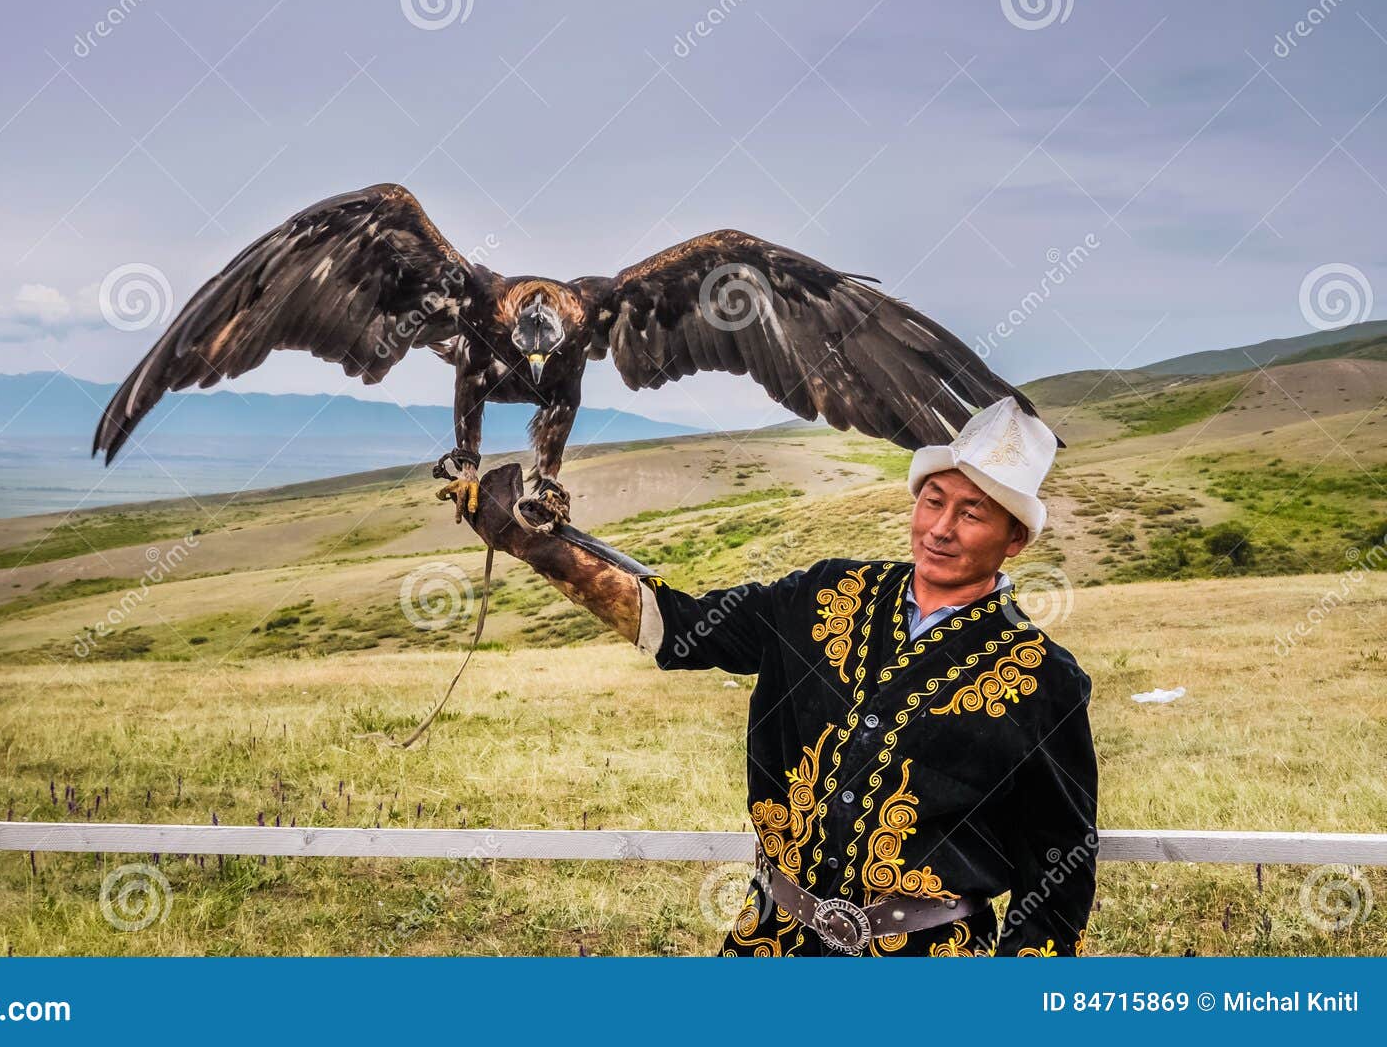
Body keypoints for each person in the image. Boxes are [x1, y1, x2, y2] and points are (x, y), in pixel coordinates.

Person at [452, 397, 1098, 956]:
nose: (940, 528)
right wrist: (535, 545)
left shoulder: (1045, 681)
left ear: (1015, 538)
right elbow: (681, 627)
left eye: (972, 514)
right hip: (770, 941)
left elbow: (1057, 878)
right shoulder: (821, 595)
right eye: (933, 500)